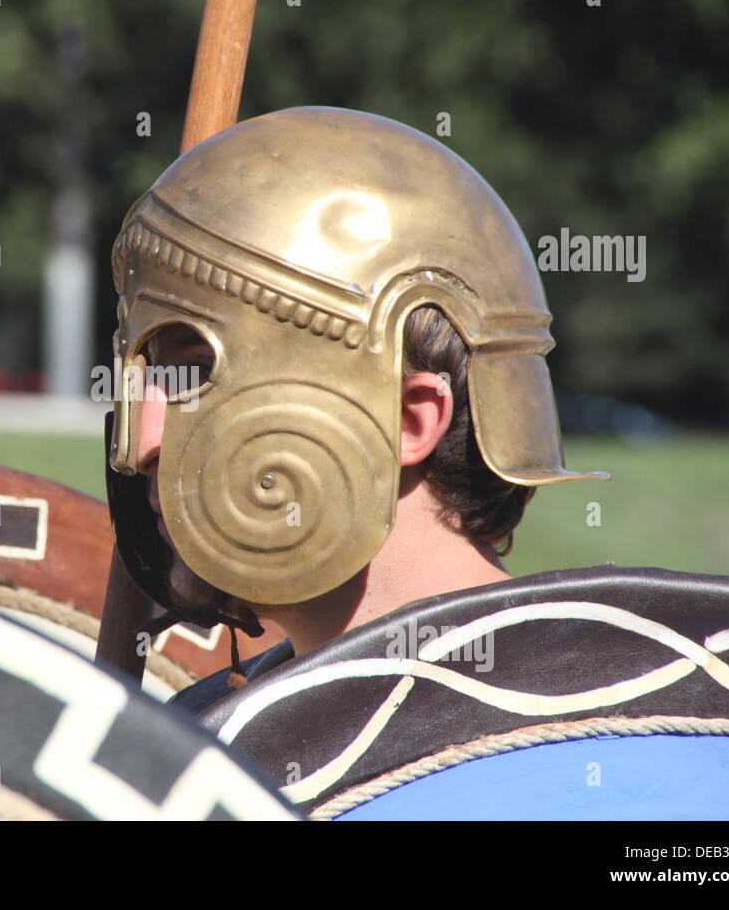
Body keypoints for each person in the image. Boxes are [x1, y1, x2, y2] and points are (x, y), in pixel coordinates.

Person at [104, 106, 609, 704]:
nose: (140, 445)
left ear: (406, 421)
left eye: (195, 371)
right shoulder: (215, 730)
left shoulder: (554, 744)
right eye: (145, 376)